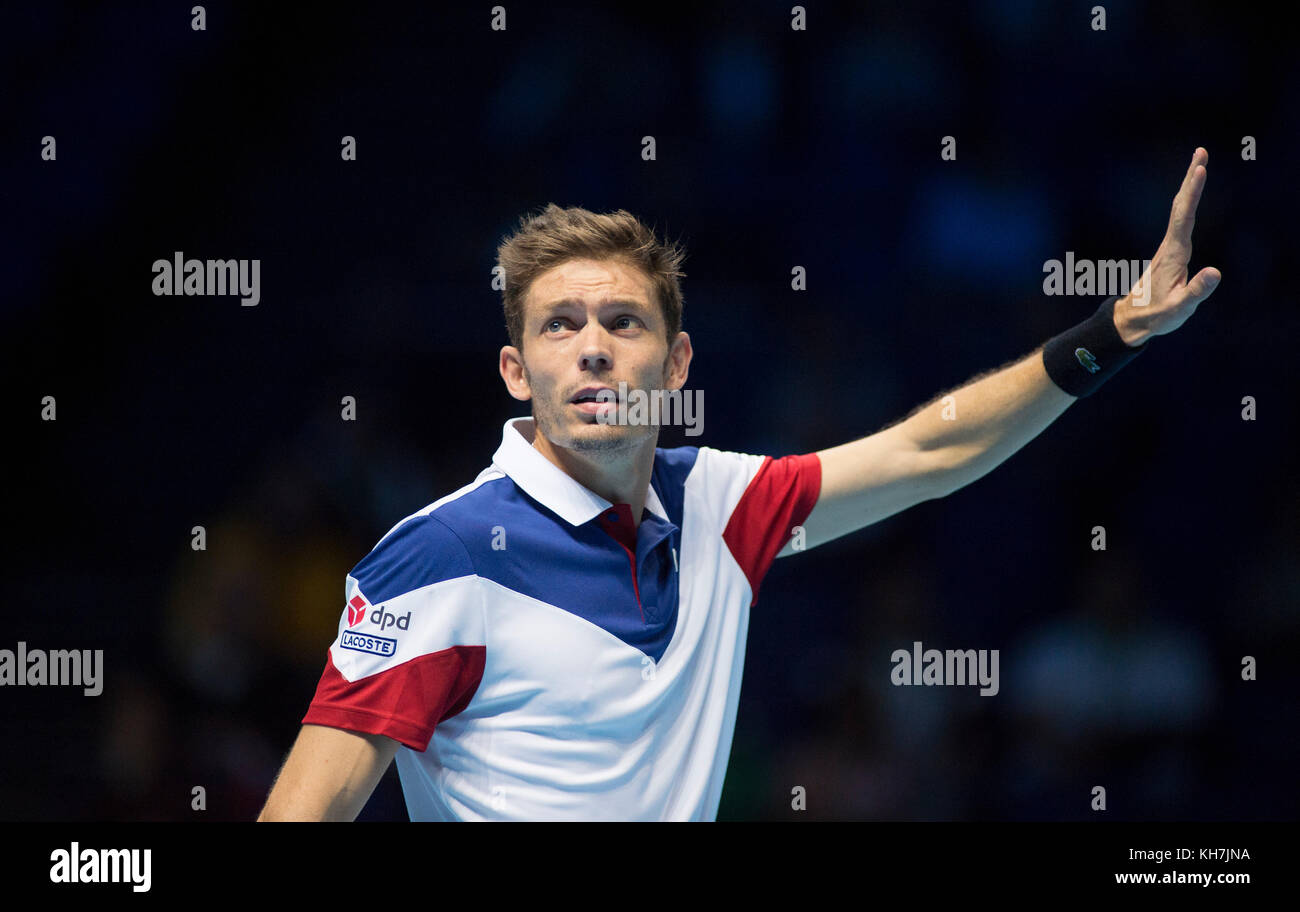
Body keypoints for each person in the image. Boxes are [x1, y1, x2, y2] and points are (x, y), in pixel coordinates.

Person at [257, 149, 1220, 820]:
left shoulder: (723, 504)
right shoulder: (441, 557)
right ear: (517, 372)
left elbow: (933, 452)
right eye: (558, 326)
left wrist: (1116, 333)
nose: (592, 346)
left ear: (676, 364)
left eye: (622, 322)